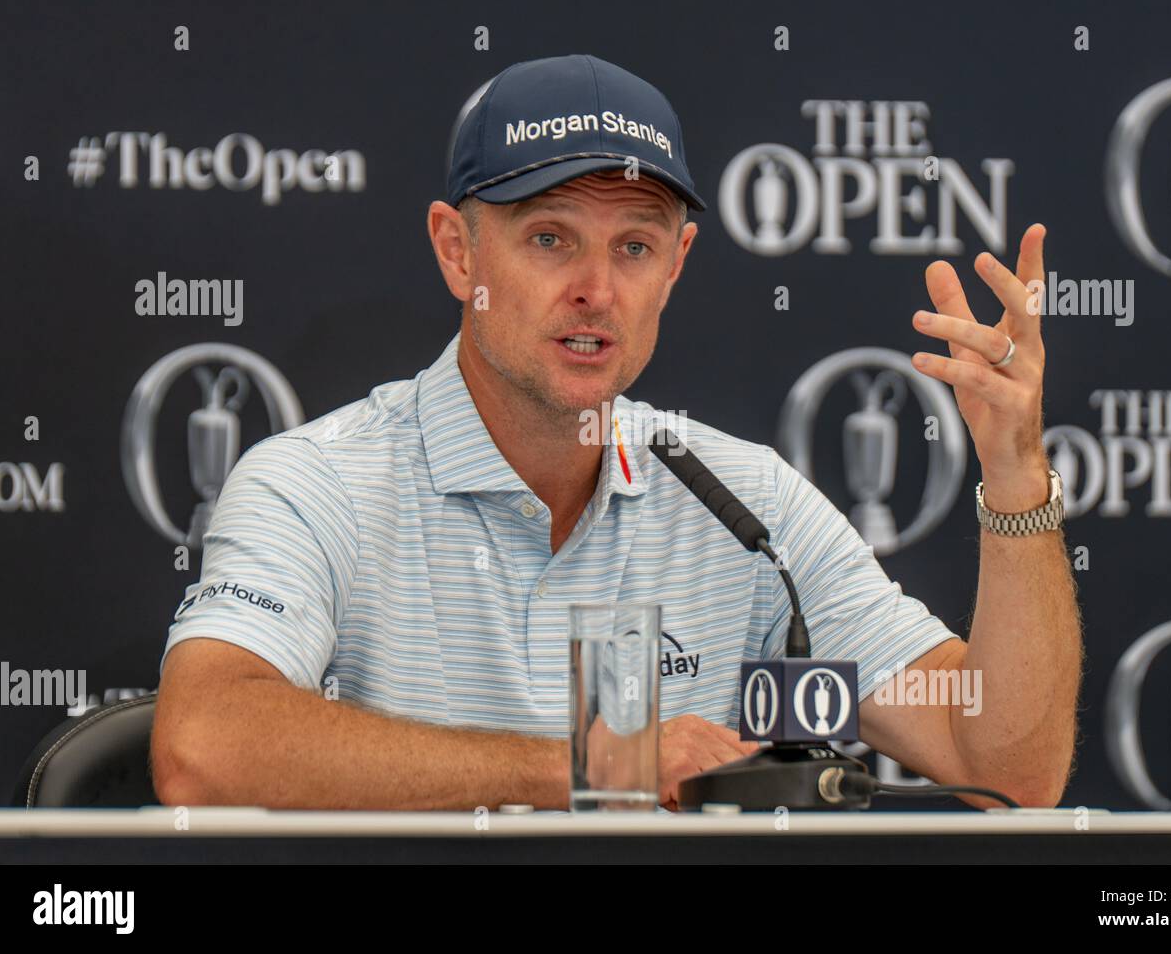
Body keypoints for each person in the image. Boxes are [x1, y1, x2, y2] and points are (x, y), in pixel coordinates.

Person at [152, 54, 1081, 811]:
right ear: (457, 250)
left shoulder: (744, 506)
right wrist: (603, 763)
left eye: (634, 246)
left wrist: (1013, 474)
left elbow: (994, 756)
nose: (597, 288)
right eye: (550, 237)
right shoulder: (316, 485)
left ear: (676, 265)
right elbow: (205, 746)